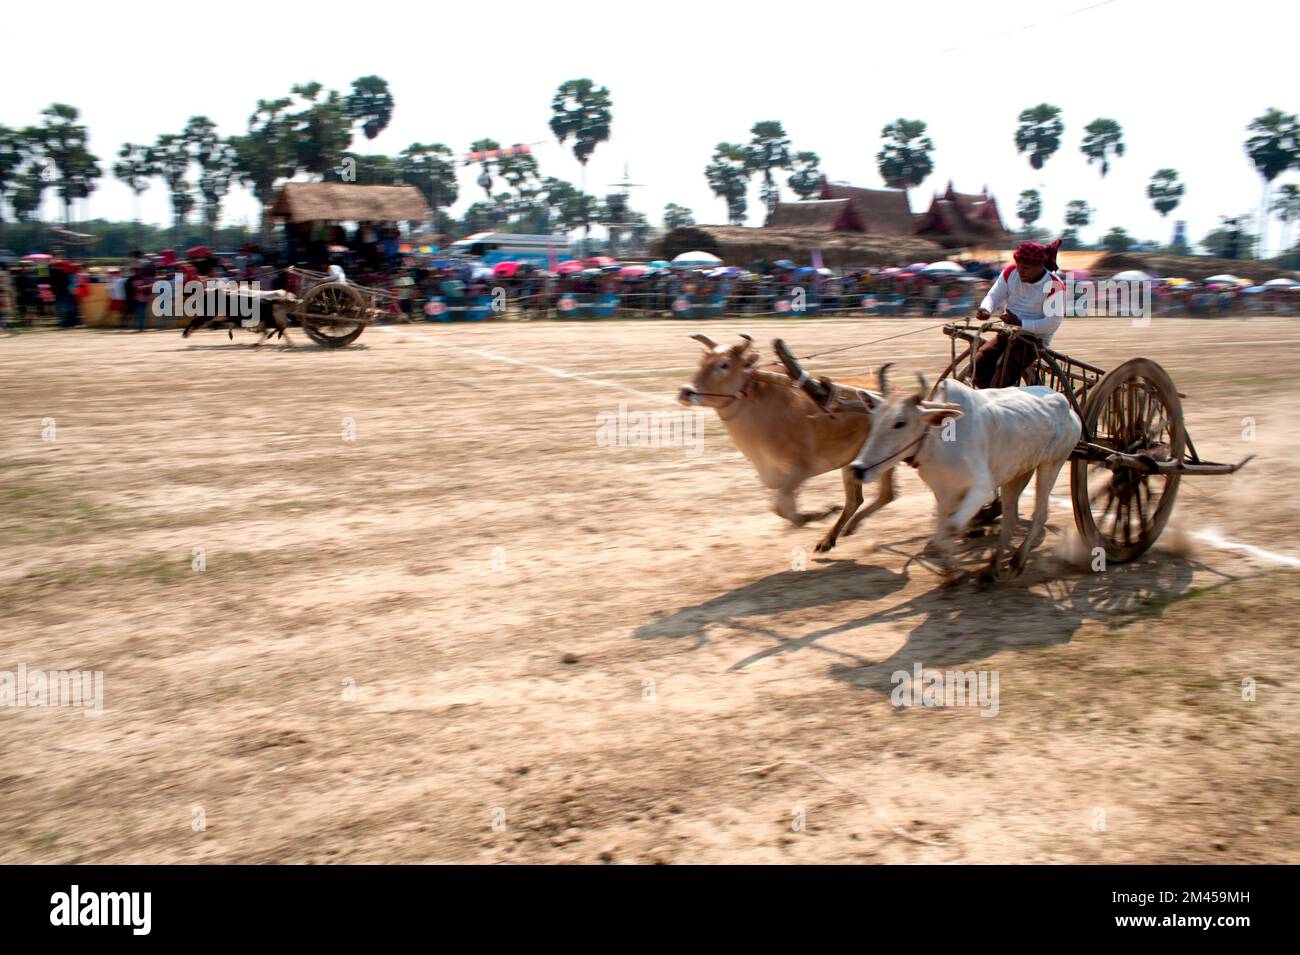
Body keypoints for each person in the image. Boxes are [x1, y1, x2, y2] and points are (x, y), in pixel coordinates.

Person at [971, 240, 1064, 388]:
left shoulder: (1054, 286)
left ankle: (997, 399)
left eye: (1026, 267)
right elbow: (993, 296)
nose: (1021, 270)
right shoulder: (1009, 272)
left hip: (1034, 340)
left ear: (1040, 266)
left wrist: (1020, 323)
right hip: (1007, 333)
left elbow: (1051, 324)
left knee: (1005, 371)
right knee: (979, 363)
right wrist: (986, 309)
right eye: (1019, 265)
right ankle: (990, 397)